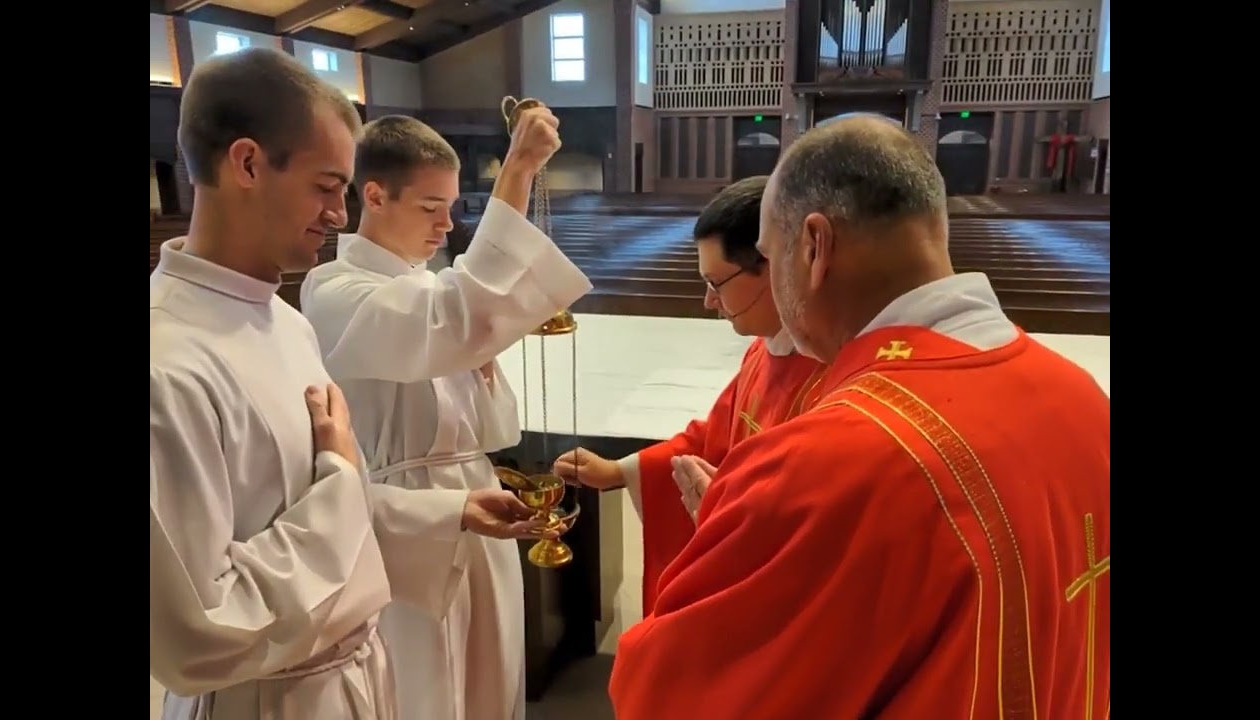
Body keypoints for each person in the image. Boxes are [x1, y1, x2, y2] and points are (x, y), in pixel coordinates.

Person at [608, 115, 1110, 719]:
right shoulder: (1083, 398)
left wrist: (744, 528)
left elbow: (669, 690)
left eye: (770, 253)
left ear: (814, 248)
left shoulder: (834, 457)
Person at [149, 49, 543, 720]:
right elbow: (199, 634)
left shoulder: (282, 319)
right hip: (265, 698)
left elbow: (304, 514)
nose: (339, 212)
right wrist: (338, 478)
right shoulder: (166, 361)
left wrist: (443, 513)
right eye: (327, 185)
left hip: (349, 678)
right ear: (246, 164)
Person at [299, 114, 592, 720]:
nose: (447, 223)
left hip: (476, 496)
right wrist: (519, 169)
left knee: (493, 675)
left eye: (453, 205)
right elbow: (455, 317)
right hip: (407, 524)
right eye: (432, 205)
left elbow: (491, 426)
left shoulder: (423, 287)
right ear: (375, 196)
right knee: (427, 688)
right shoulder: (334, 288)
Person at [550, 176, 825, 613]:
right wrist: (620, 471)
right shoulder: (765, 349)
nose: (708, 301)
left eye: (717, 282)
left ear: (775, 265)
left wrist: (736, 520)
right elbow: (713, 438)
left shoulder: (834, 378)